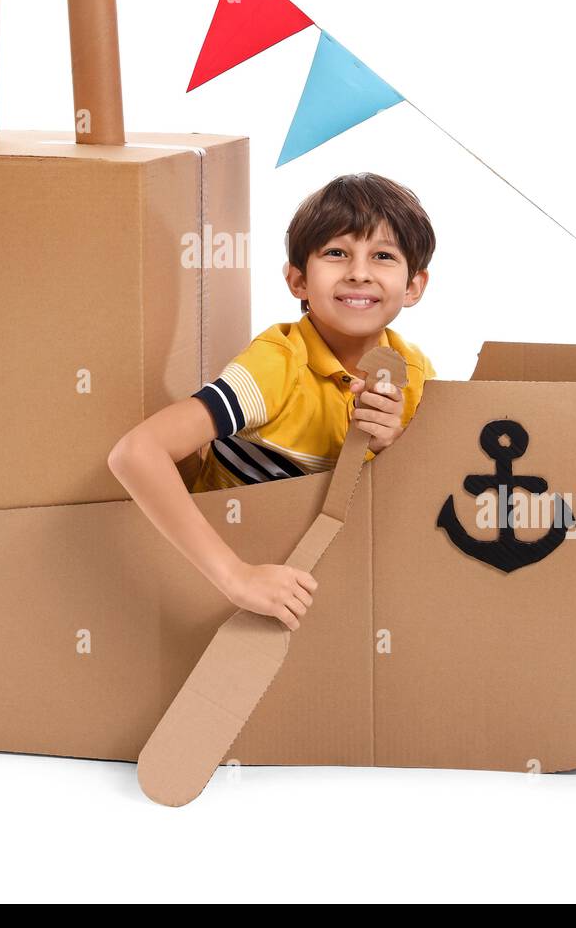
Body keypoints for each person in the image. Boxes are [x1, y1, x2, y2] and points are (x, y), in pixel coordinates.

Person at [108, 172, 436, 630]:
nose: (359, 271)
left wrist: (394, 442)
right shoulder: (277, 365)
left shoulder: (415, 374)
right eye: (337, 253)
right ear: (298, 280)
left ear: (414, 286)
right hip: (222, 580)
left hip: (327, 582)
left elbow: (421, 495)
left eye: (382, 256)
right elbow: (136, 453)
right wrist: (236, 577)